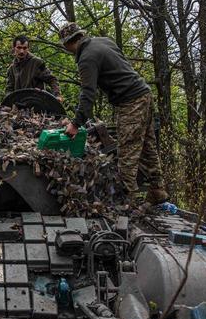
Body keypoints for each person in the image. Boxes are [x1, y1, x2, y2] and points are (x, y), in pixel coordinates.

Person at [58, 22, 168, 205]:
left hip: (130, 102)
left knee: (127, 150)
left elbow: (88, 93)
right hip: (144, 94)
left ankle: (127, 200)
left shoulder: (86, 57)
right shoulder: (105, 41)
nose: (66, 49)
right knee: (147, 145)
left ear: (69, 42)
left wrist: (75, 123)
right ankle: (158, 189)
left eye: (65, 46)